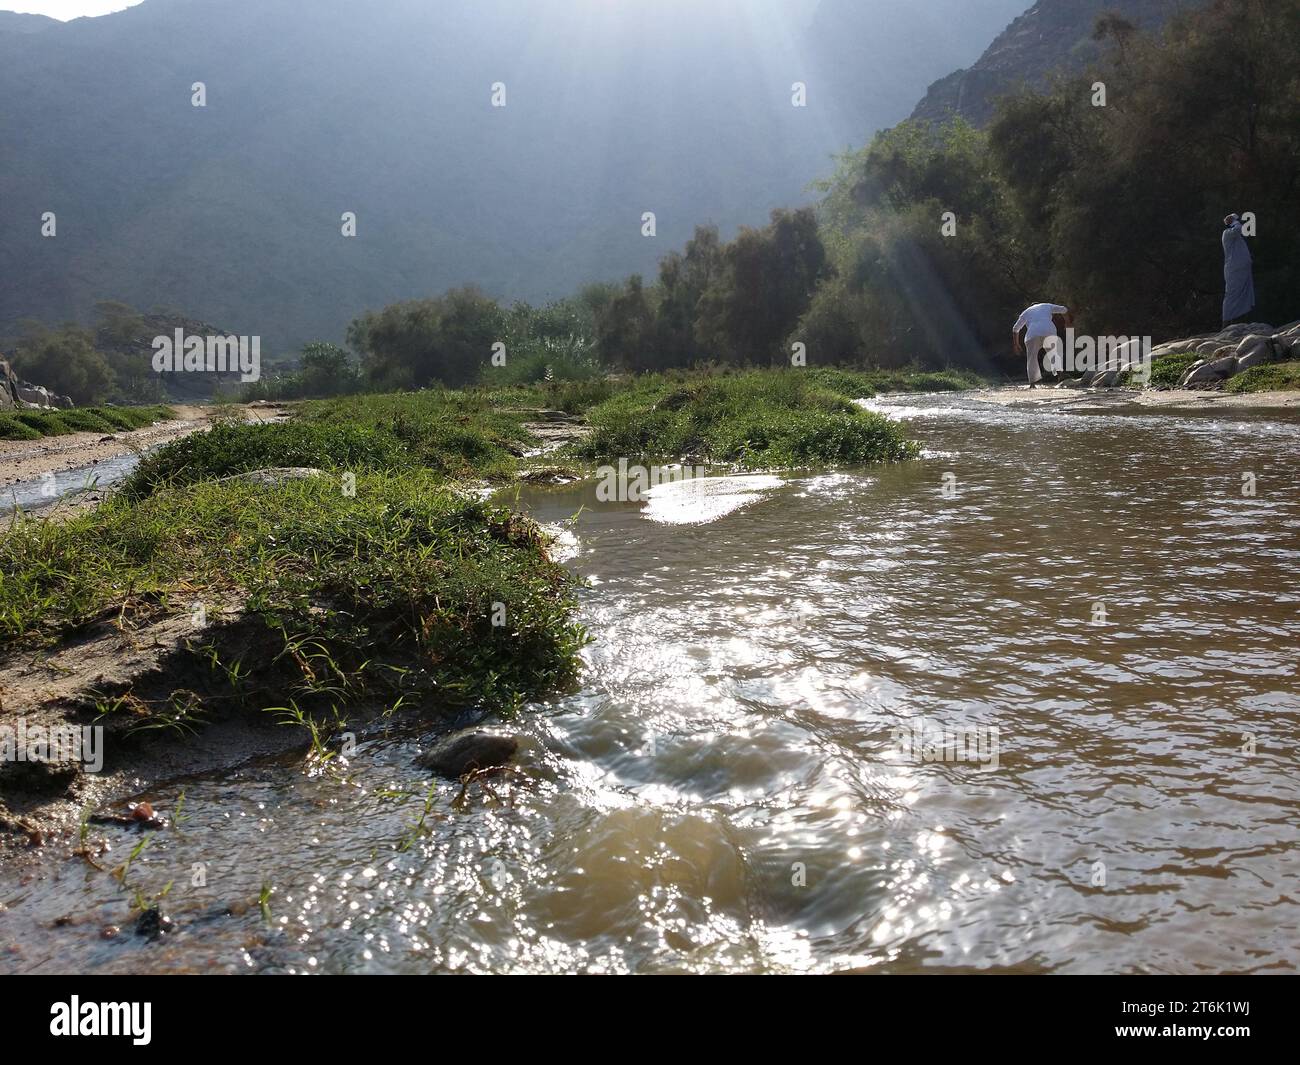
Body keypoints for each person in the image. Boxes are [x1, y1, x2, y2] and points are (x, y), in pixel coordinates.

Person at [1012, 302, 1070, 387]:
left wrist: (1016, 344)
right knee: (1053, 353)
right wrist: (1067, 323)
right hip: (1048, 331)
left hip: (1032, 334)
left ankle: (1032, 384)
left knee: (1032, 358)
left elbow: (1015, 328)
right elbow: (1064, 309)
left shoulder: (1026, 311)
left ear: (1031, 306)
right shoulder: (1046, 305)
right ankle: (1060, 375)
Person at [1221, 213, 1254, 325]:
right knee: (1232, 294)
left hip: (1240, 269)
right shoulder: (1227, 234)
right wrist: (1234, 221)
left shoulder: (1237, 238)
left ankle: (1240, 319)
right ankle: (1227, 321)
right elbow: (1238, 228)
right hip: (1234, 269)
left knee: (1243, 295)